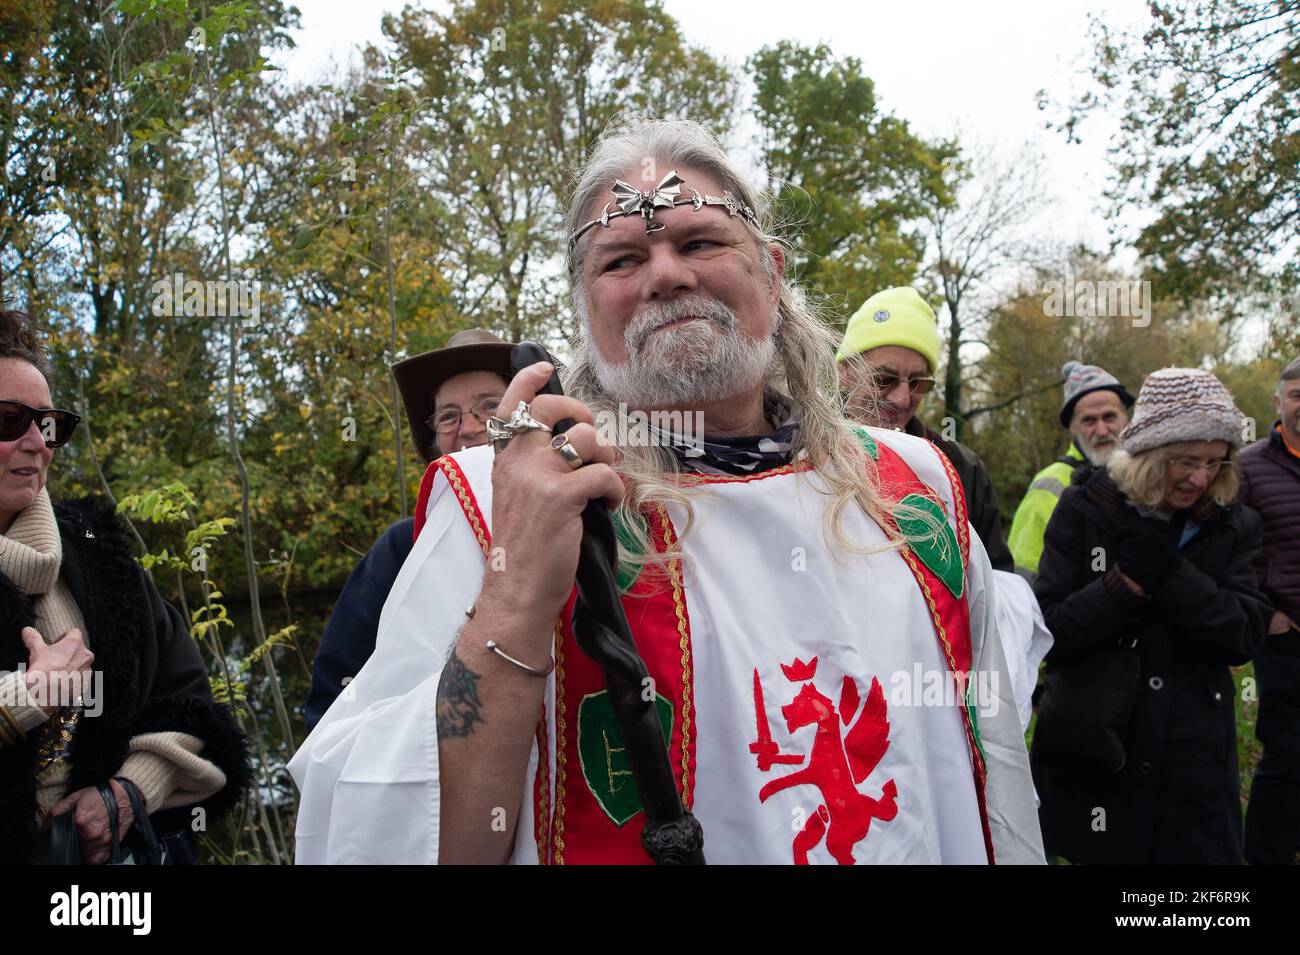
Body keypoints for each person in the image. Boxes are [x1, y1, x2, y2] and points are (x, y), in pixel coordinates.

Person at [290, 118, 1043, 865]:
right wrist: (515, 592)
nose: (665, 274)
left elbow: (996, 779)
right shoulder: (506, 500)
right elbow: (392, 833)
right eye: (620, 259)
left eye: (699, 242)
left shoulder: (915, 489)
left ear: (772, 273)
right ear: (587, 311)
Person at [0, 309, 248, 864]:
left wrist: (129, 793)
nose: (36, 442)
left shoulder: (96, 552)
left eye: (48, 424)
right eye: (9, 420)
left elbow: (187, 704)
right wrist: (21, 701)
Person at [1030, 367, 1270, 864]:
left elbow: (1244, 634)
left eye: (1214, 462)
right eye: (1184, 461)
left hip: (1194, 763)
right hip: (1098, 752)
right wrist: (1124, 586)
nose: (1200, 478)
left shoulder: (1234, 524)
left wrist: (1173, 574)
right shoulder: (1083, 509)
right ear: (1148, 452)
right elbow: (1050, 631)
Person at [304, 329, 514, 730]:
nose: (468, 428)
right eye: (449, 416)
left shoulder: (582, 525)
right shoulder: (403, 548)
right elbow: (332, 703)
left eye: (490, 407)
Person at [837, 287, 1014, 573]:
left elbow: (996, 581)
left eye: (918, 383)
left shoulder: (960, 469)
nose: (902, 399)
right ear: (844, 372)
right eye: (884, 379)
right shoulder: (798, 453)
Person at [1241, 357, 1300, 864]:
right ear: (1278, 403)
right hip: (1287, 638)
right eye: (1297, 394)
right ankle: (1265, 856)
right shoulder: (1249, 465)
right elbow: (1233, 550)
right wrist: (1267, 612)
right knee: (1286, 755)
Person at [1007, 361, 1134, 576]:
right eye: (1089, 421)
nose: (1102, 430)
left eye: (1109, 417)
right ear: (1072, 428)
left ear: (1126, 418)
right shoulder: (1049, 483)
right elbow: (1022, 575)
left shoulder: (1148, 474)